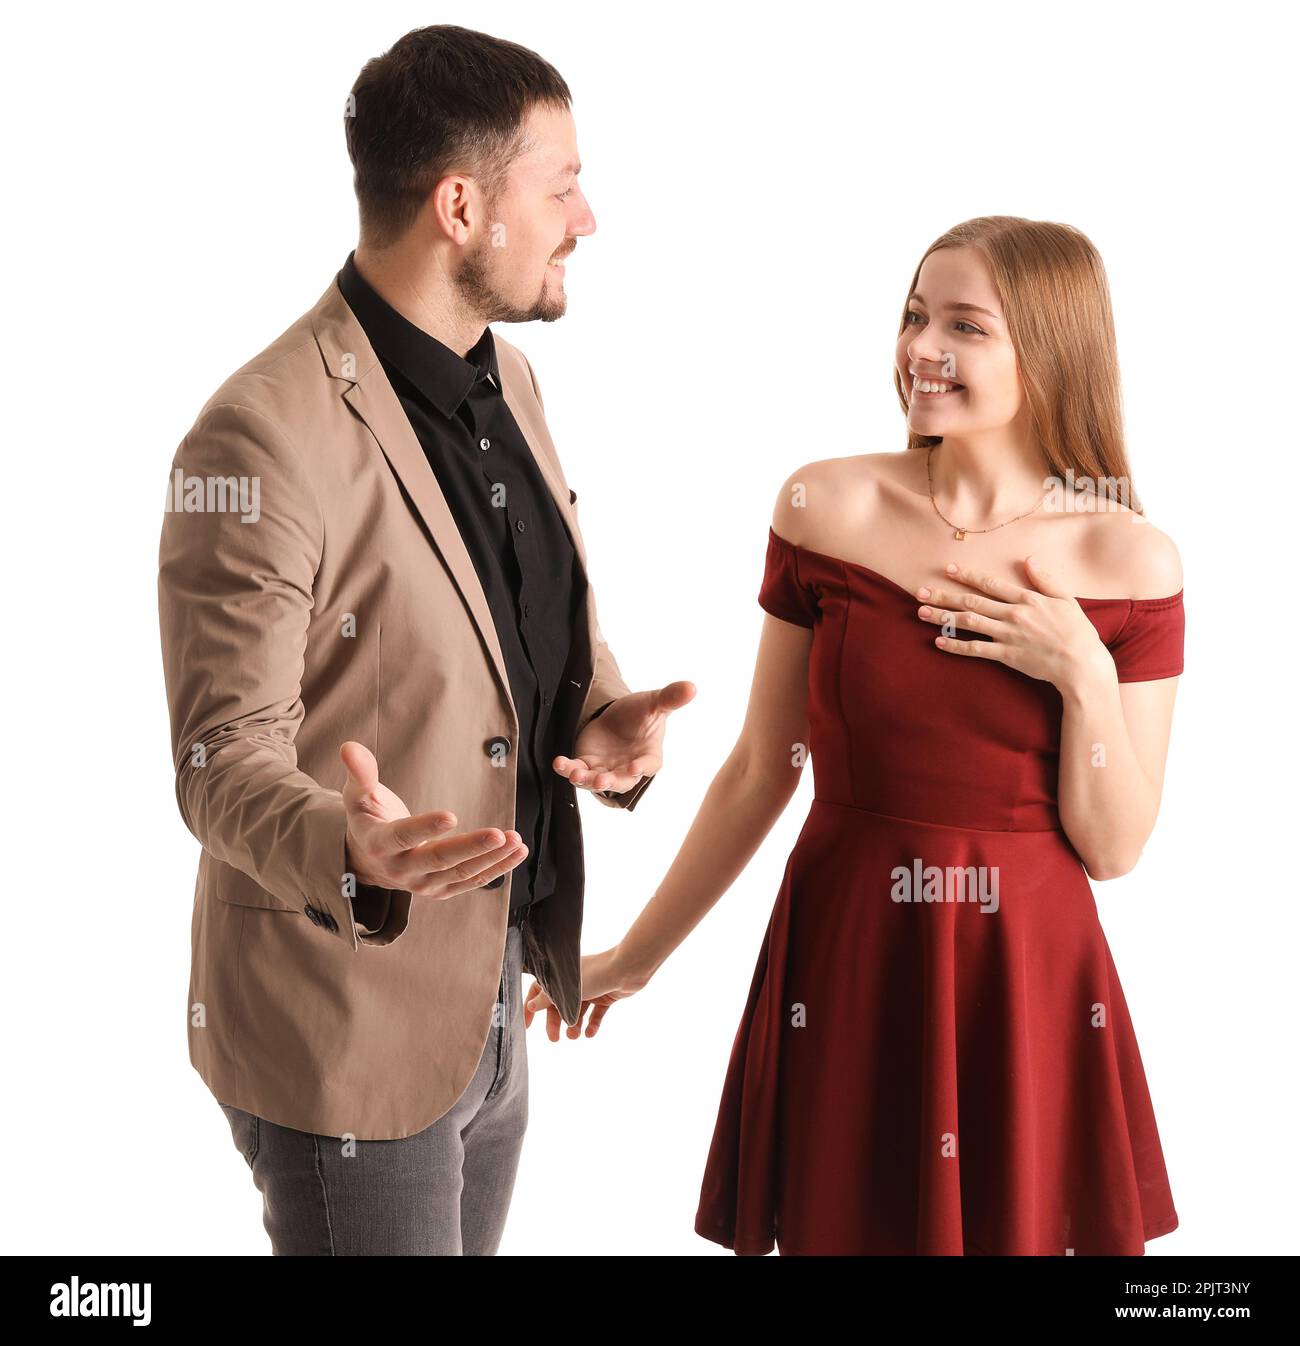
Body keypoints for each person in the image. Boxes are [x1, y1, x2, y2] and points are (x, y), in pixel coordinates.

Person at [526, 216, 1184, 1256]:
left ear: (1052, 350)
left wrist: (1083, 673)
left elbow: (1113, 848)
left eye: (966, 327)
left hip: (1022, 966)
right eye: (917, 316)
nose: (922, 348)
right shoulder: (826, 504)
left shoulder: (1130, 556)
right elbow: (761, 768)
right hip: (850, 942)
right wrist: (634, 957)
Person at [157, 23, 692, 1255]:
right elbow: (218, 757)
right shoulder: (259, 435)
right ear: (461, 207)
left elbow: (504, 625)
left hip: (493, 996)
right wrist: (349, 848)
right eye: (561, 186)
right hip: (346, 1016)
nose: (587, 219)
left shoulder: (508, 379)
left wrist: (597, 713)